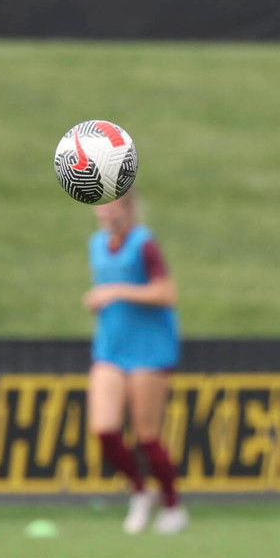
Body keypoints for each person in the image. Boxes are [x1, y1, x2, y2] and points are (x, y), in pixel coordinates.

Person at [83, 190, 186, 534]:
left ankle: (172, 505)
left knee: (146, 435)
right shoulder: (96, 244)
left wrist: (115, 291)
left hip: (149, 351)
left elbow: (165, 293)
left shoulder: (144, 243)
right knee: (105, 429)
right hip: (110, 349)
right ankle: (140, 492)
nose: (106, 212)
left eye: (113, 205)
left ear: (127, 209)